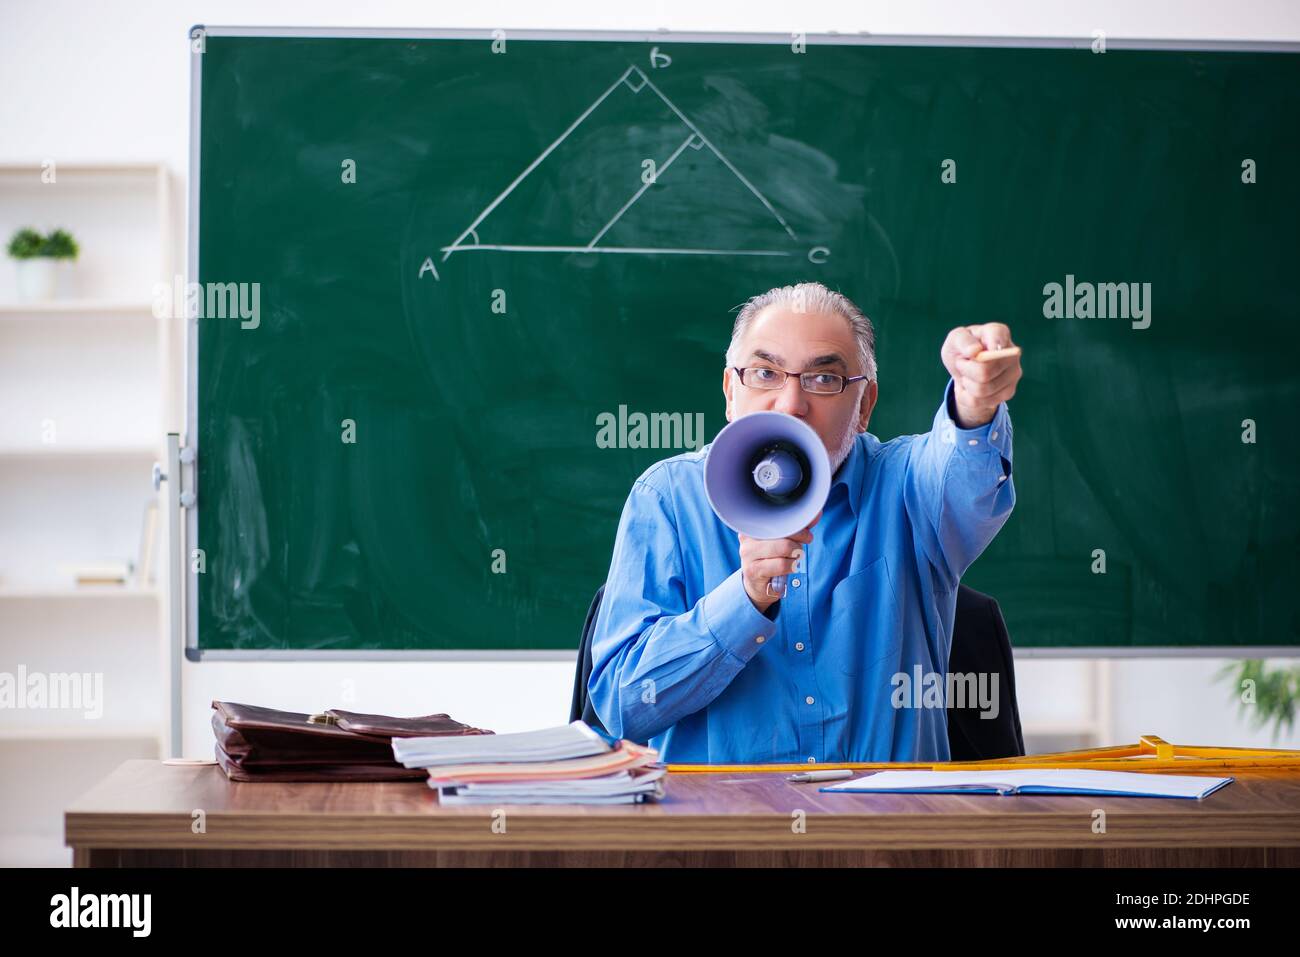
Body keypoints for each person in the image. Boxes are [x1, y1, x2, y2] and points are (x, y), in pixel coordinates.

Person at [588, 282, 1021, 763]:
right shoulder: (667, 499)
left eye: (823, 379)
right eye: (765, 373)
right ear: (731, 392)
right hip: (723, 832)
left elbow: (963, 472)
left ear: (865, 406)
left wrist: (974, 404)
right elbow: (623, 706)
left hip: (883, 828)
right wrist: (745, 600)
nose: (791, 404)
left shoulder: (908, 489)